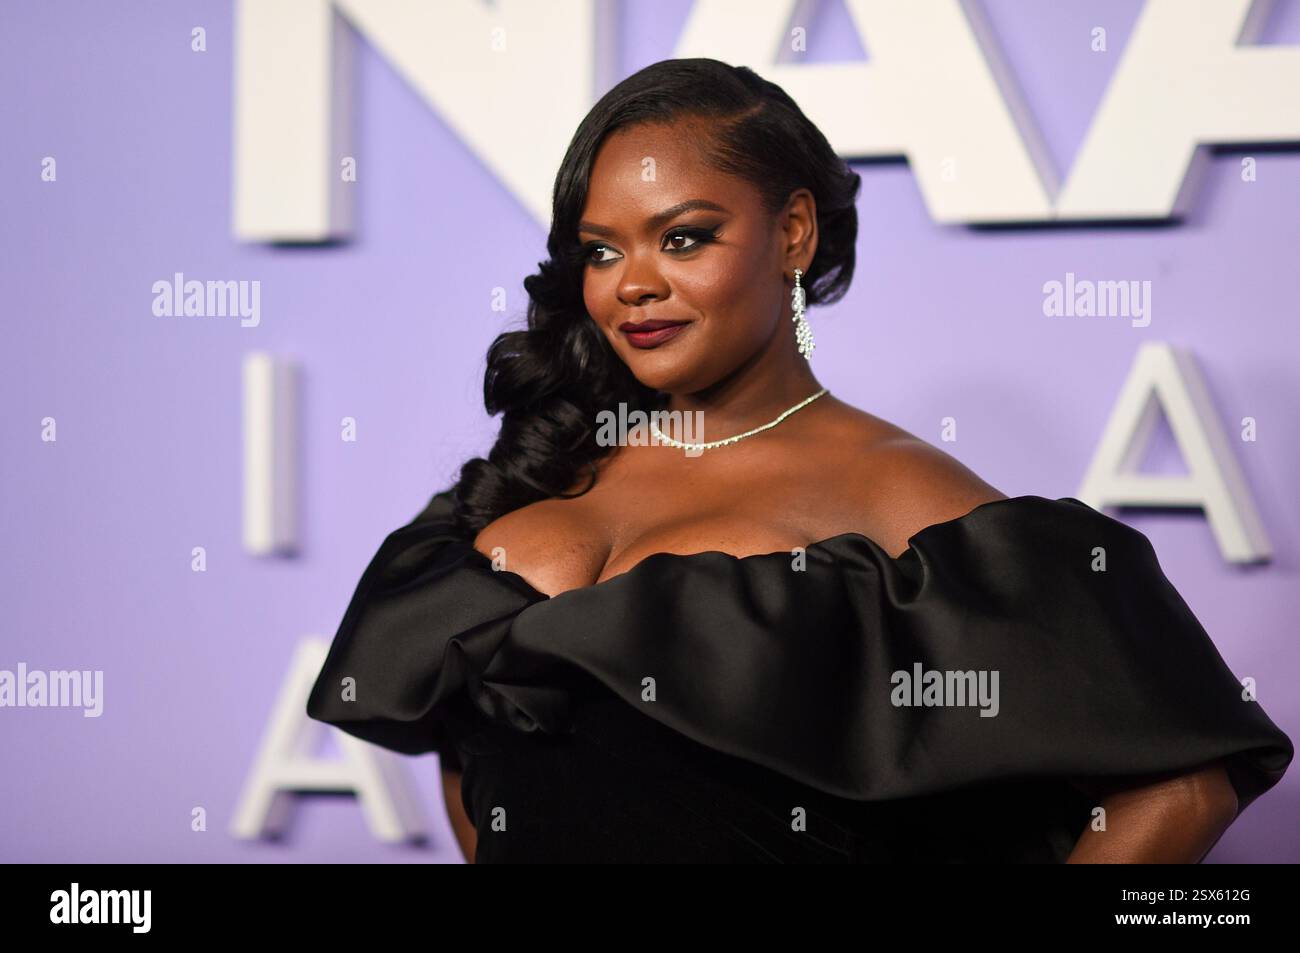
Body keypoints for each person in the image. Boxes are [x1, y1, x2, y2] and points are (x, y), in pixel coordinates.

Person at [307, 58, 1292, 863]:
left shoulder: (907, 493)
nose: (632, 285)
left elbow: (1178, 783)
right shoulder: (539, 462)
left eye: (683, 237)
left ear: (791, 232)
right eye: (602, 251)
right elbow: (470, 750)